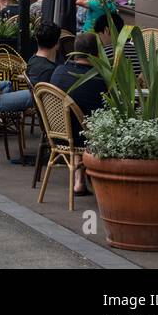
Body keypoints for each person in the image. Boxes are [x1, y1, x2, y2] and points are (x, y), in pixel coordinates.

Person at [51, 33, 108, 194]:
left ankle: (79, 181)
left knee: (79, 117)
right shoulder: (99, 79)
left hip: (57, 134)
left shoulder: (59, 72)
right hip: (85, 137)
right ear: (97, 54)